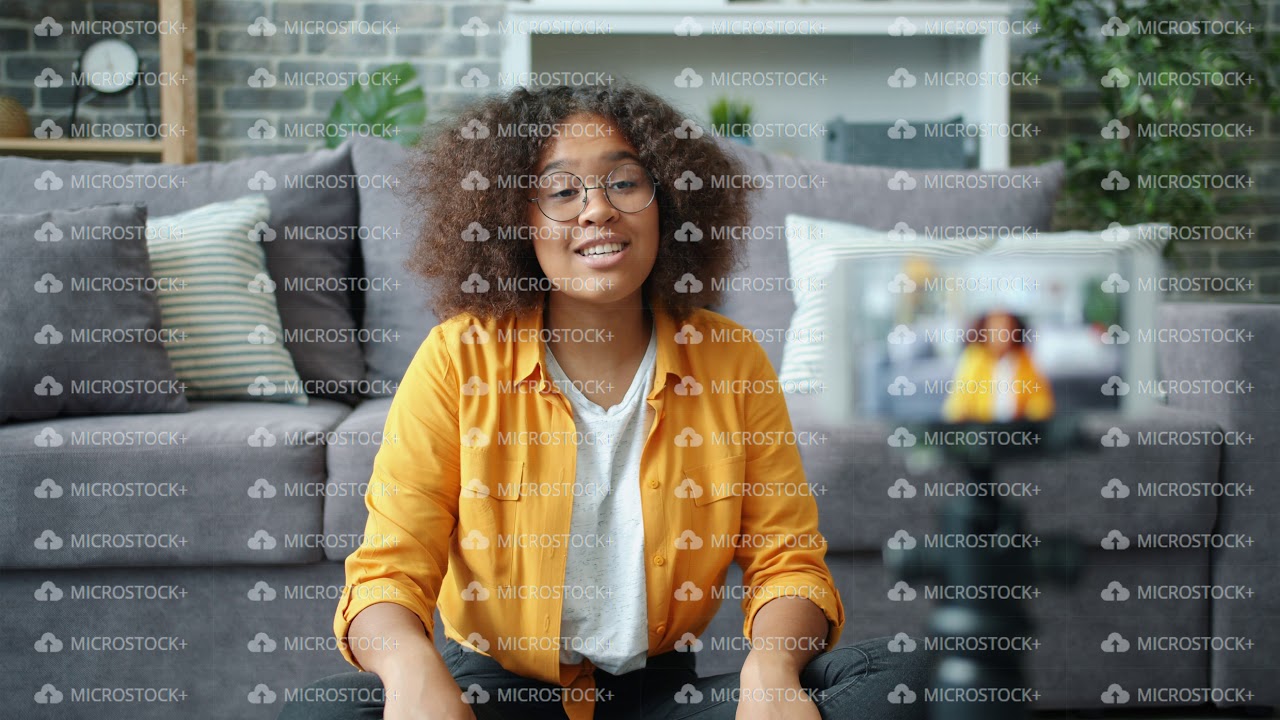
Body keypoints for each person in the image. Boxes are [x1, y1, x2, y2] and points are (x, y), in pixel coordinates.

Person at [279, 84, 934, 720]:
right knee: (327, 709)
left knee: (918, 678)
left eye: (623, 182)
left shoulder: (731, 360)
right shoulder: (458, 356)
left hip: (664, 693)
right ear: (517, 222)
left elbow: (786, 560)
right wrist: (412, 676)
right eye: (562, 192)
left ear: (667, 204)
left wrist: (771, 673)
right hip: (494, 692)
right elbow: (389, 569)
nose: (596, 210)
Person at [941, 310, 1054, 423]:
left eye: (1006, 327)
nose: (1001, 333)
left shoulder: (1025, 359)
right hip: (982, 431)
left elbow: (1041, 402)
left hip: (1017, 431)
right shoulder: (974, 359)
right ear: (985, 330)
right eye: (995, 328)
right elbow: (956, 406)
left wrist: (1032, 415)